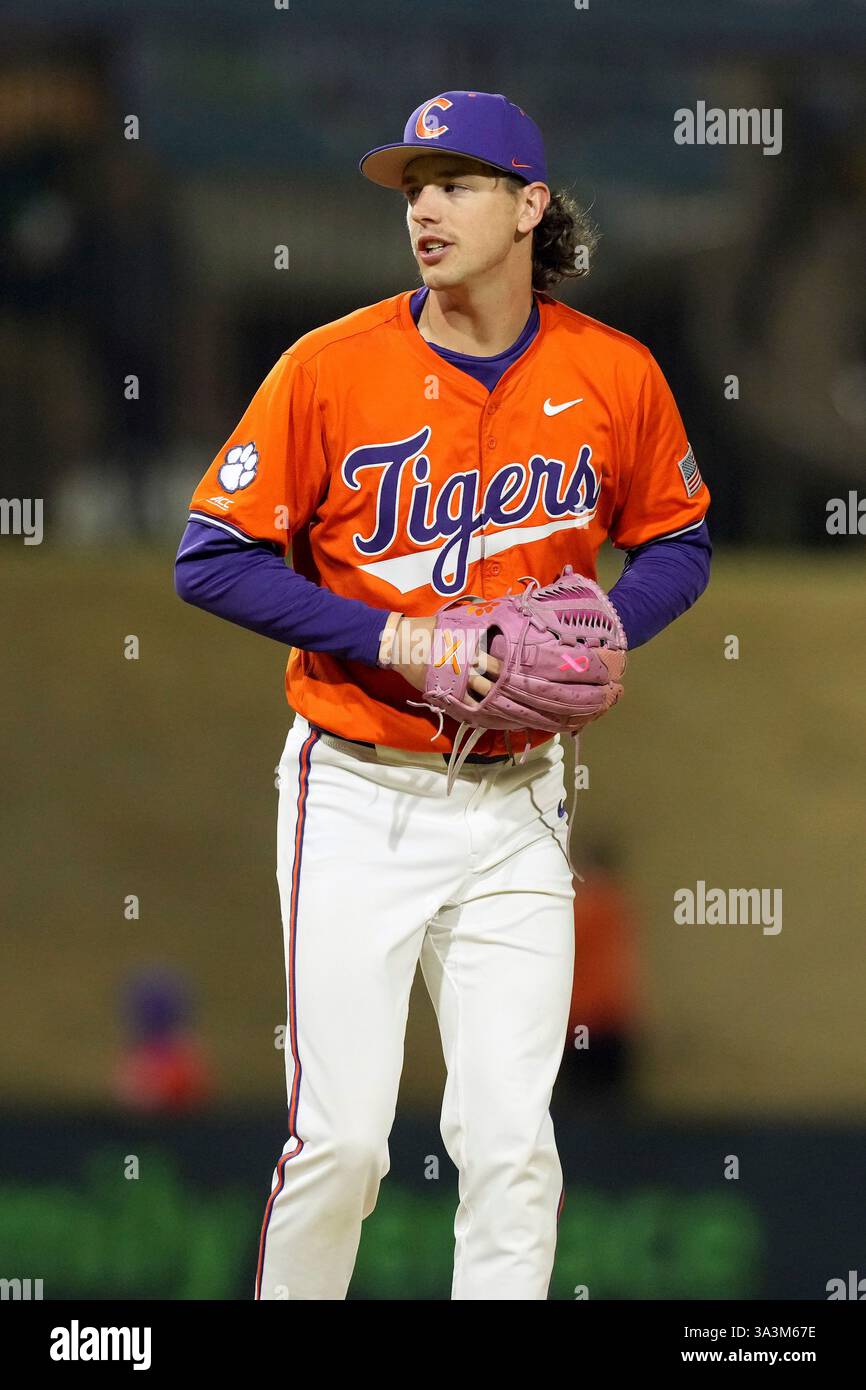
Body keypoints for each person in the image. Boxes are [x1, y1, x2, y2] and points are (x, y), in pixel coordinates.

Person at [175, 90, 711, 1301]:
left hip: (520, 800)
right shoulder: (327, 368)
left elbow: (678, 536)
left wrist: (603, 627)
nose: (424, 204)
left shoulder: (611, 374)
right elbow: (208, 557)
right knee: (345, 1142)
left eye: (459, 181)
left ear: (529, 207)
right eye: (414, 183)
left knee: (510, 1142)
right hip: (358, 788)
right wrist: (395, 636)